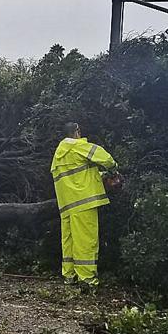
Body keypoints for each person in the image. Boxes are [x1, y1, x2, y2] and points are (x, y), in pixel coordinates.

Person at [51, 122, 116, 286]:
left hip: (66, 205)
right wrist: (113, 170)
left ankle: (69, 275)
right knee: (86, 241)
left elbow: (78, 175)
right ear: (77, 132)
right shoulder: (79, 147)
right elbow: (106, 158)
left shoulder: (58, 155)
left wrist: (98, 176)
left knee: (69, 240)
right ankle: (87, 279)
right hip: (84, 203)